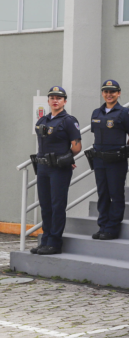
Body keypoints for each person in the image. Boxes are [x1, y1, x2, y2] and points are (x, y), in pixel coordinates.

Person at [30, 86, 82, 255]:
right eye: (52, 97)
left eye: (59, 98)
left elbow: (77, 146)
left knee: (57, 205)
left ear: (64, 101)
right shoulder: (42, 120)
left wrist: (66, 158)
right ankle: (45, 240)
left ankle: (54, 243)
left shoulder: (69, 120)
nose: (55, 100)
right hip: (43, 167)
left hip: (59, 168)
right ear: (48, 101)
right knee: (45, 205)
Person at [86, 80, 129, 240]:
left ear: (119, 93)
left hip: (116, 160)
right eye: (106, 91)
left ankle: (112, 228)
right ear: (102, 93)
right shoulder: (96, 113)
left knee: (116, 194)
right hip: (99, 160)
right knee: (103, 194)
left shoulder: (124, 112)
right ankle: (102, 225)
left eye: (112, 92)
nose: (109, 94)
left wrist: (126, 150)